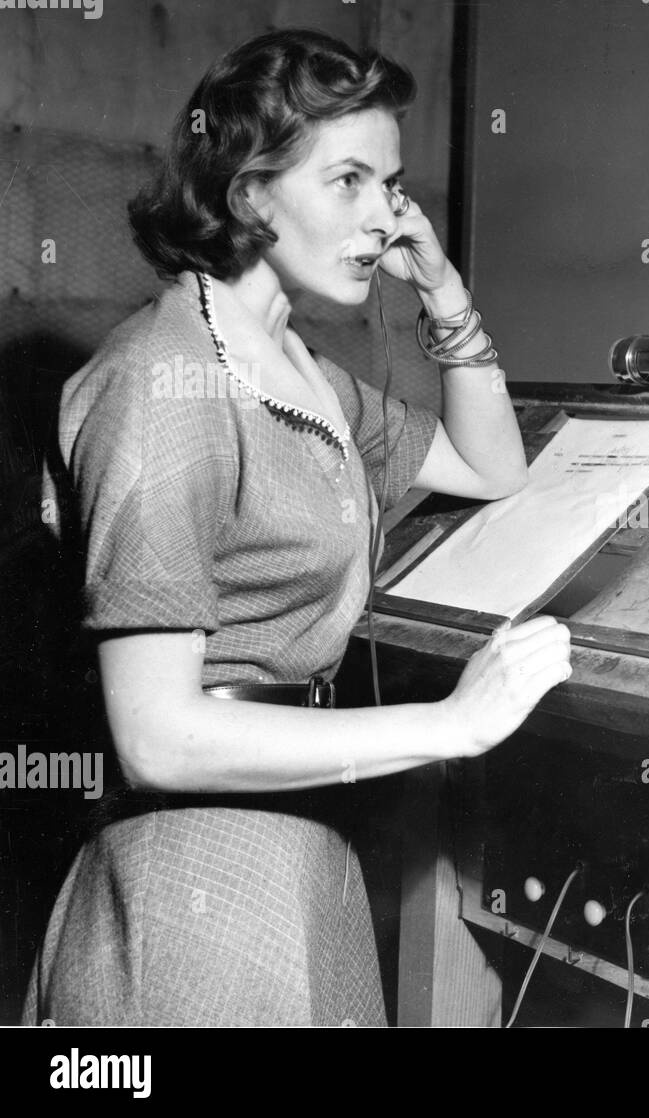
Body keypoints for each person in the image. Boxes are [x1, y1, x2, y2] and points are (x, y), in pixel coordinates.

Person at [24, 28, 571, 1026]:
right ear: (248, 192)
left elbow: (491, 465)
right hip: (194, 884)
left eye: (391, 184)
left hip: (299, 845)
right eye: (348, 181)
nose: (381, 218)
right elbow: (156, 736)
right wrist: (452, 722)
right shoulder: (167, 382)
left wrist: (442, 290)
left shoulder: (297, 371)